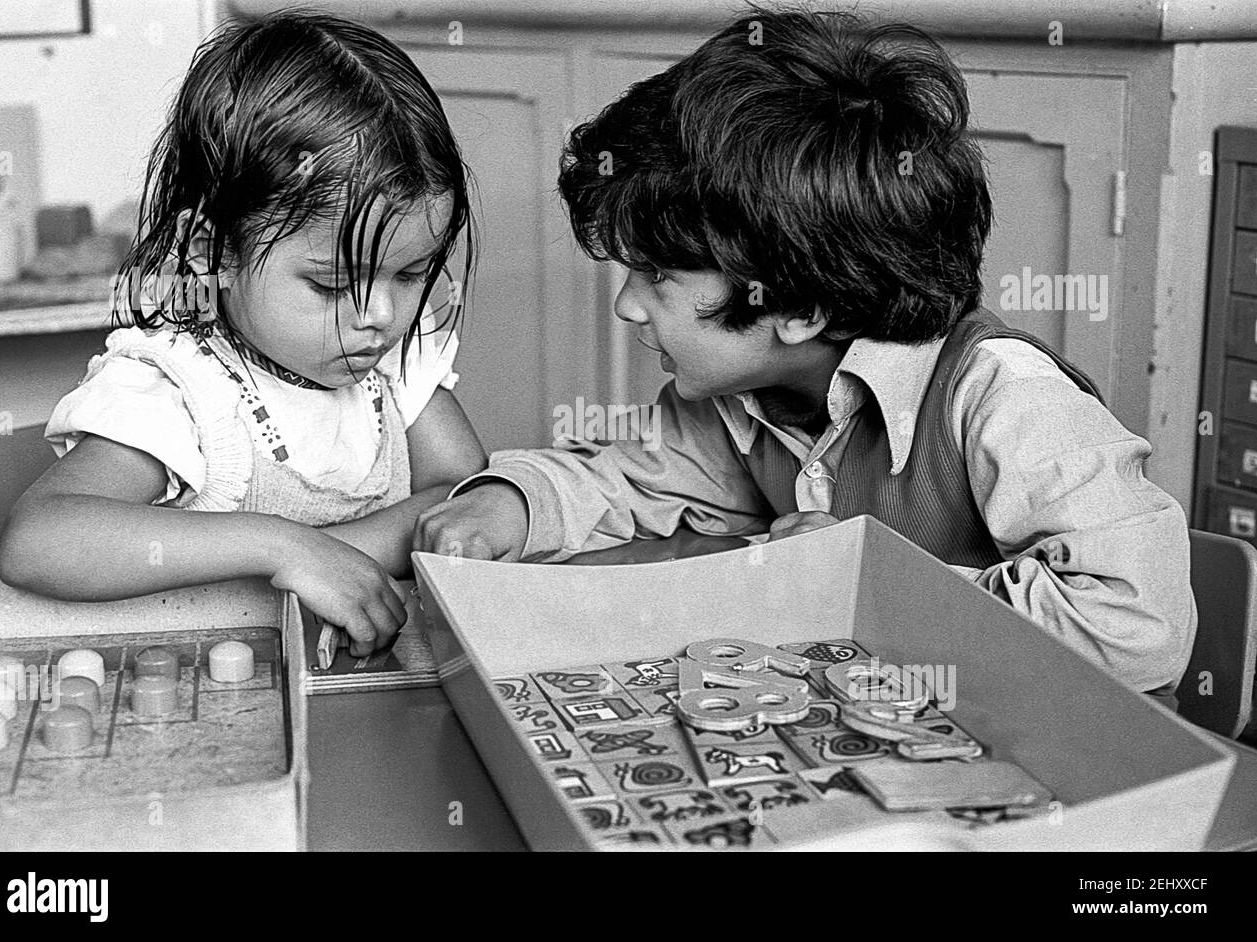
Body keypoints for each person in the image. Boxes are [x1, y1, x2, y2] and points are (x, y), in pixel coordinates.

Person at [415, 9, 1195, 699]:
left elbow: (1138, 626)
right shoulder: (740, 398)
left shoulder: (1005, 397)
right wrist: (506, 507)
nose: (626, 304)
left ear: (799, 306)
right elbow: (620, 481)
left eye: (655, 275)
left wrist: (866, 579)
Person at [0, 12, 485, 655]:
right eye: (332, 285)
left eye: (411, 273)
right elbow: (40, 542)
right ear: (212, 252)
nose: (381, 316)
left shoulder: (397, 360)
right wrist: (281, 546)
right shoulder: (179, 390)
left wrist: (332, 556)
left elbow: (461, 491)